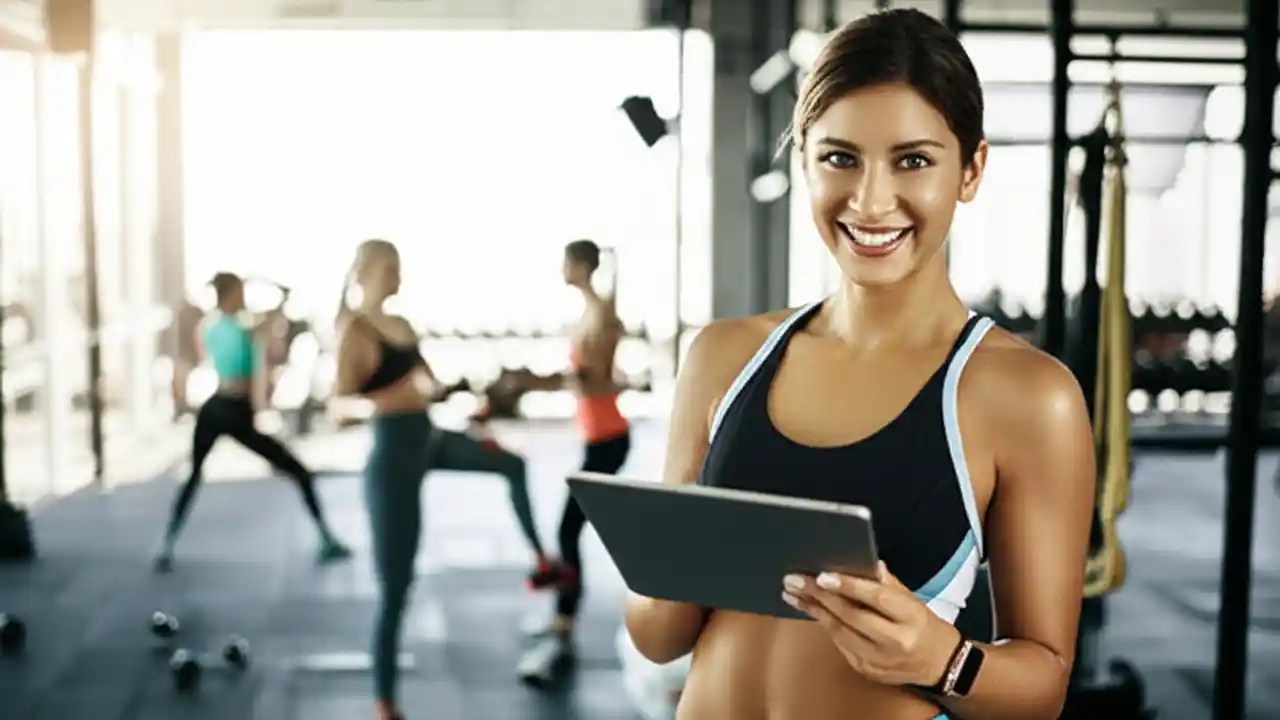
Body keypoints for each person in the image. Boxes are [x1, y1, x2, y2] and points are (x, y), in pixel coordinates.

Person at [624, 9, 1095, 720]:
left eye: (913, 160)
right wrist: (666, 567)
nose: (871, 201)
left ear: (971, 169)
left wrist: (943, 657)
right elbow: (658, 637)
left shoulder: (1025, 395)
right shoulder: (724, 357)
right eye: (840, 157)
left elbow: (1042, 689)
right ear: (802, 157)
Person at [330, 239, 554, 720]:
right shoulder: (356, 330)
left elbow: (429, 386)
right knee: (395, 586)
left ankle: (542, 560)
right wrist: (394, 394)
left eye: (400, 269)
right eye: (391, 270)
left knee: (510, 463)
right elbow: (340, 405)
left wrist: (473, 412)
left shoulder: (404, 326)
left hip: (428, 436)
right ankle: (384, 702)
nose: (398, 278)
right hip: (392, 453)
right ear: (367, 272)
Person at [154, 272, 352, 572]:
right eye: (240, 292)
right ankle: (327, 538)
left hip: (217, 406)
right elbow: (268, 339)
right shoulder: (242, 327)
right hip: (233, 410)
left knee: (194, 475)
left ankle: (166, 546)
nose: (244, 297)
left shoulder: (210, 327)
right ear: (231, 294)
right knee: (299, 473)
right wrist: (280, 299)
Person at [519, 240, 632, 684]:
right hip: (598, 436)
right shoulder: (592, 312)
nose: (562, 269)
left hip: (608, 438)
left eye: (567, 262)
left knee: (569, 529)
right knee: (570, 529)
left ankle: (566, 621)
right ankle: (563, 617)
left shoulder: (600, 315)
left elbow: (600, 378)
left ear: (582, 266)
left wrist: (565, 380)